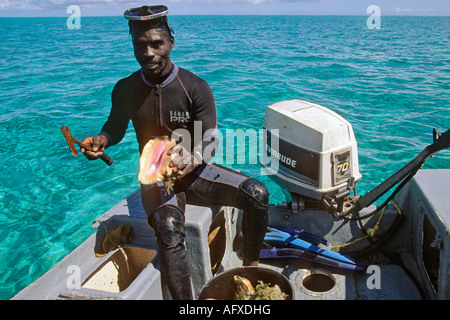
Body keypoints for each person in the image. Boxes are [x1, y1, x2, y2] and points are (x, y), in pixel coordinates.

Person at [80, 5, 268, 300]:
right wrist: (101, 140)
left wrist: (193, 157)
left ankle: (251, 270)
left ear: (171, 44)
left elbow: (208, 139)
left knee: (257, 194)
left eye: (157, 43)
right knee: (169, 228)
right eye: (140, 45)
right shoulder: (125, 89)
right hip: (156, 178)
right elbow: (113, 128)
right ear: (133, 46)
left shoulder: (195, 87)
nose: (149, 53)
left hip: (196, 172)